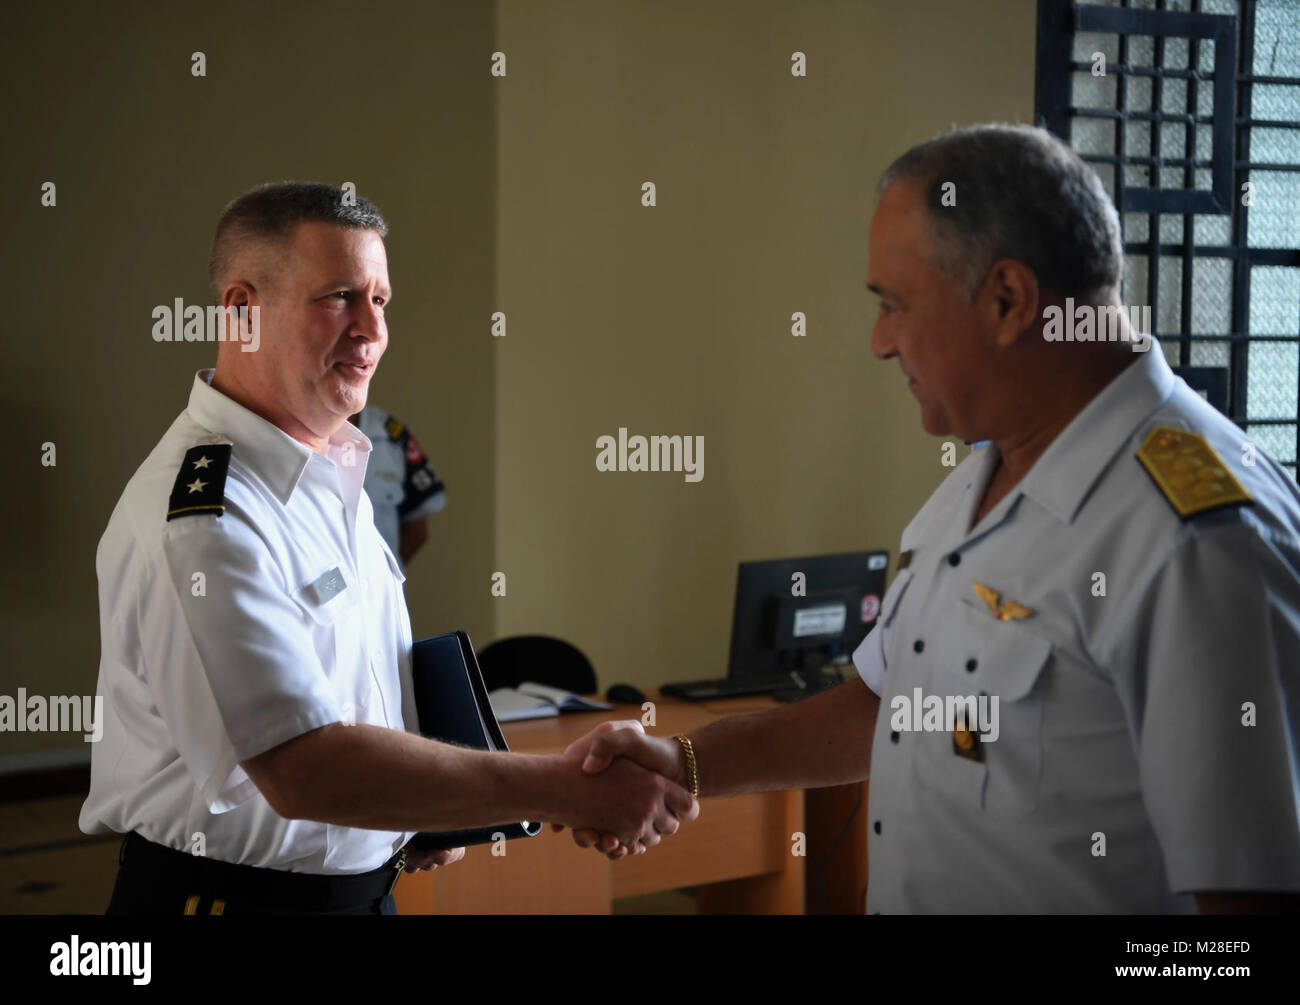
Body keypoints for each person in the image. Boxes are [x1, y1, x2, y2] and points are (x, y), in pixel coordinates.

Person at [563, 124, 1300, 913]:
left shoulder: (1197, 540)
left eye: (894, 305)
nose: (880, 343)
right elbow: (887, 703)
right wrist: (685, 762)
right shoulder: (983, 472)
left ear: (1009, 300)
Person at [82, 181, 696, 915]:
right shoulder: (208, 513)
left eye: (381, 300)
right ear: (242, 312)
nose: (371, 330)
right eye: (339, 296)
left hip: (364, 893)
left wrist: (422, 809)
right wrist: (565, 787)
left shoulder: (329, 470)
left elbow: (352, 698)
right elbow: (303, 767)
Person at [349, 404, 445, 570]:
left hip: (379, 588)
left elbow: (417, 531)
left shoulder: (391, 434)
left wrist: (385, 575)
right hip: (320, 587)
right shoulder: (297, 431)